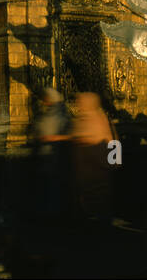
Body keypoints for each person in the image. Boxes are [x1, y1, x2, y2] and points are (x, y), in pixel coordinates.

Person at [69, 92, 115, 224]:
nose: (78, 105)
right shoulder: (95, 119)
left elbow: (111, 141)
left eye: (80, 102)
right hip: (90, 174)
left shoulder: (96, 120)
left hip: (96, 172)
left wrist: (112, 163)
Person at [30, 87, 70, 221]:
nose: (44, 103)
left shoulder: (59, 115)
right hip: (49, 156)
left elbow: (112, 143)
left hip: (54, 155)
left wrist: (113, 162)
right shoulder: (54, 114)